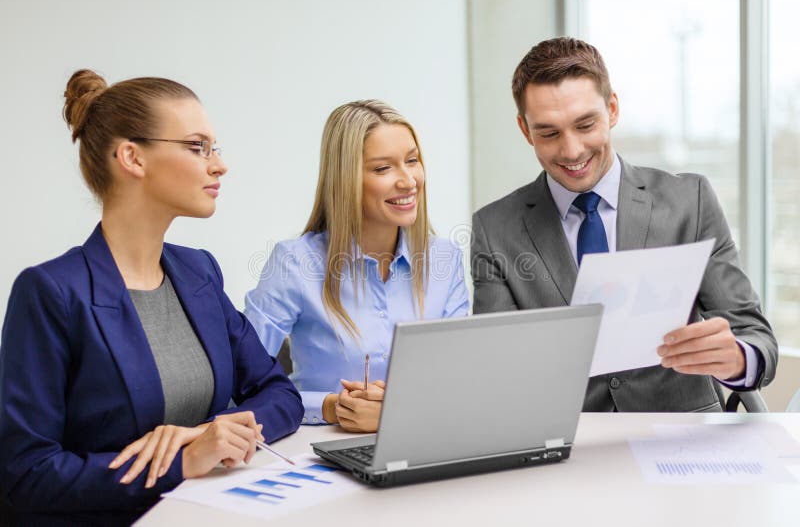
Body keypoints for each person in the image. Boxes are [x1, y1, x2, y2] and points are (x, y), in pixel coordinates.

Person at [0, 70, 303, 525]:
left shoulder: (198, 271)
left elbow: (280, 393)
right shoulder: (51, 292)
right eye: (197, 146)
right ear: (132, 158)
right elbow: (26, 474)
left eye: (214, 148)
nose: (219, 164)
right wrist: (181, 463)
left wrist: (207, 434)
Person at [471, 37, 778, 412]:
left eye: (585, 124)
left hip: (682, 438)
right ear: (525, 129)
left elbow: (755, 335)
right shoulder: (494, 229)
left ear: (612, 108)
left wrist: (737, 358)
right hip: (567, 447)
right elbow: (494, 368)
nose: (571, 151)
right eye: (549, 133)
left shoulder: (689, 201)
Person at [244, 100, 470, 432]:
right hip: (324, 449)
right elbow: (242, 384)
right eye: (383, 169)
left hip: (424, 438)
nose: (408, 181)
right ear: (346, 179)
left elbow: (459, 377)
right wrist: (331, 407)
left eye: (412, 161)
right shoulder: (295, 262)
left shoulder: (444, 259)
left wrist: (400, 408)